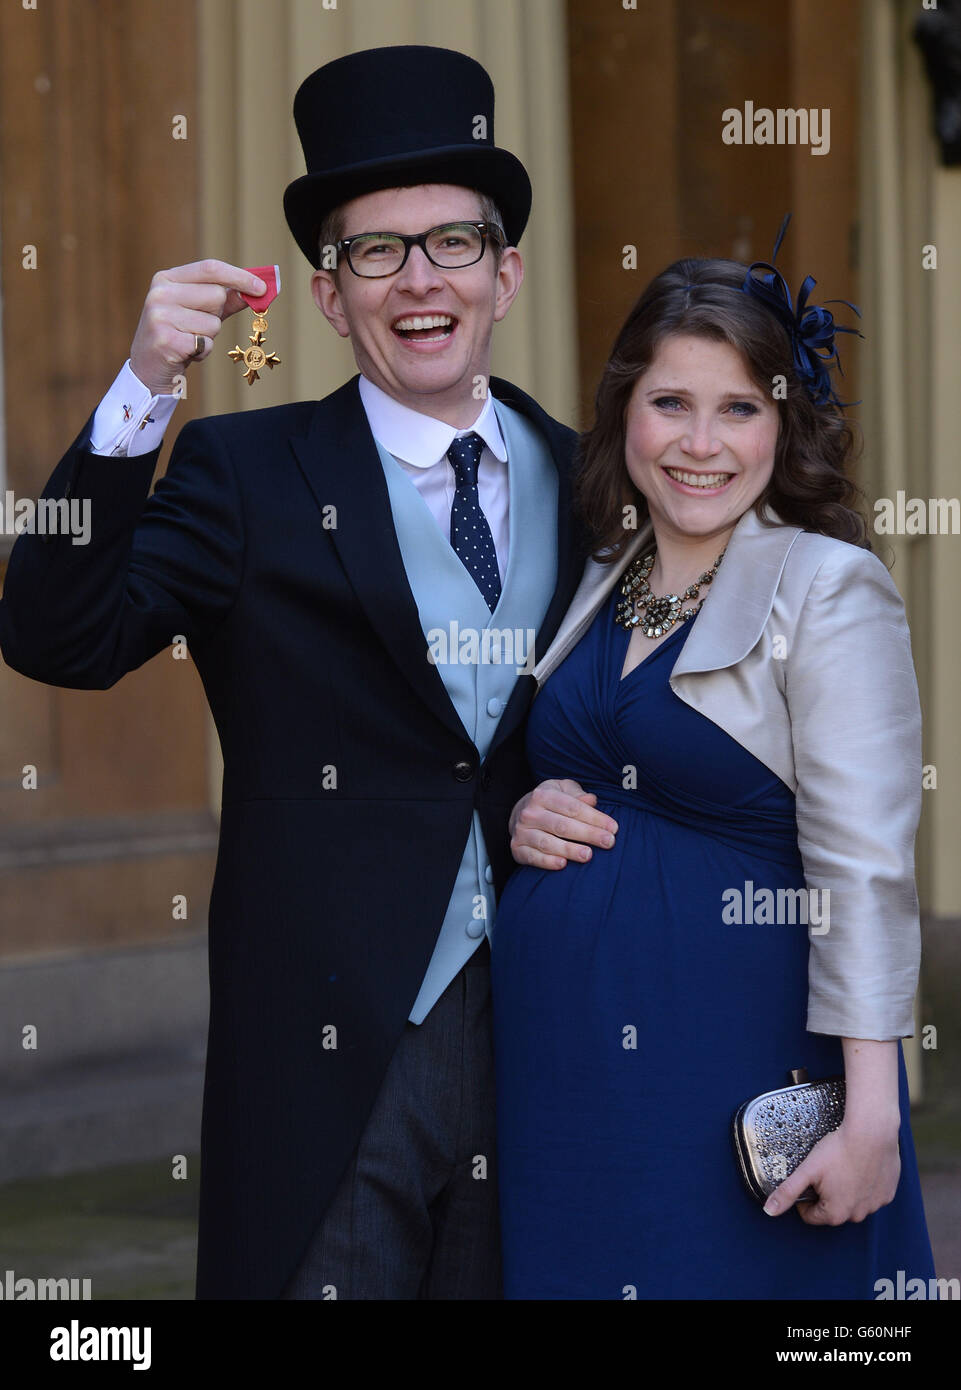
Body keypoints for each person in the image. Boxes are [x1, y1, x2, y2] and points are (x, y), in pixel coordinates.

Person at [0, 46, 587, 1300]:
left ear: (507, 272)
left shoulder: (593, 478)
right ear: (326, 296)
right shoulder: (242, 474)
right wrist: (142, 388)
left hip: (556, 1031)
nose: (418, 279)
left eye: (452, 243)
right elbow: (57, 637)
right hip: (328, 1060)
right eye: (376, 251)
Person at [490, 244, 937, 1298]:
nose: (700, 444)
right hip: (567, 1079)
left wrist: (873, 1114)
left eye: (738, 408)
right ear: (623, 412)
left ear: (784, 425)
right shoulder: (604, 566)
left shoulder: (828, 587)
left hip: (736, 1068)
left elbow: (863, 865)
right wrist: (527, 808)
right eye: (669, 403)